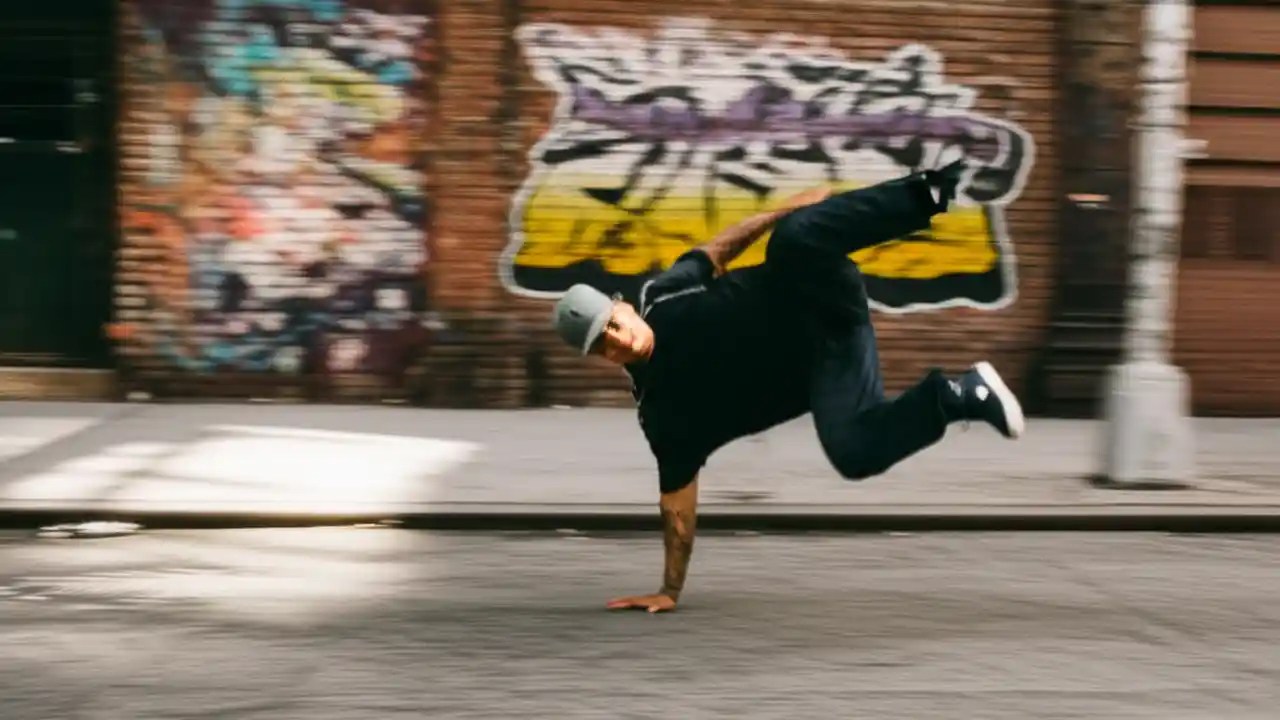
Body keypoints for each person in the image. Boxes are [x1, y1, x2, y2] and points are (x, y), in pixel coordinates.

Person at [550, 160, 1025, 614]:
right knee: (852, 452)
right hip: (833, 360)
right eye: (605, 344)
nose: (620, 340)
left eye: (614, 324)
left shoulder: (663, 294)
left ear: (625, 308)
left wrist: (786, 209)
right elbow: (676, 508)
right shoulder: (663, 416)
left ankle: (929, 191)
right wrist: (669, 588)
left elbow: (718, 249)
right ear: (603, 358)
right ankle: (959, 396)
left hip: (820, 293)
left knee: (793, 238)